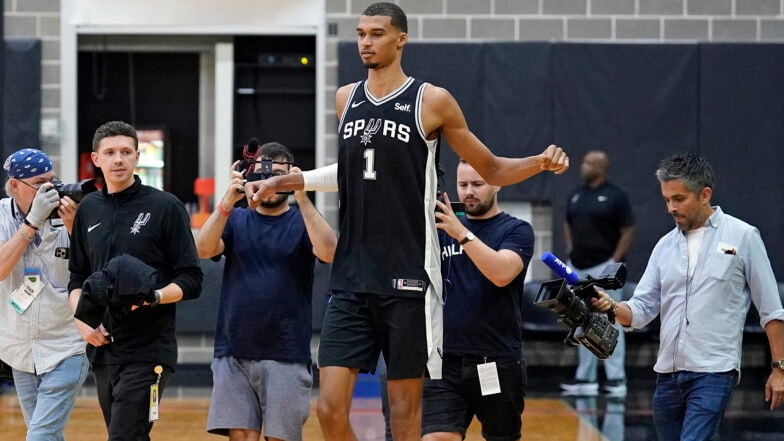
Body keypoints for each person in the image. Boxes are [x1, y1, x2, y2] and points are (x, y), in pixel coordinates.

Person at [246, 3, 569, 440]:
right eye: (360, 33)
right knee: (328, 409)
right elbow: (349, 171)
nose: (365, 42)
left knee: (403, 415)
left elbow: (491, 169)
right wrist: (287, 180)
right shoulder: (346, 99)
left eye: (376, 33)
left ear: (401, 39)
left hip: (409, 278)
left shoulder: (431, 101)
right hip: (351, 277)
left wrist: (539, 162)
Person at [592, 154, 784, 441]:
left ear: (705, 194)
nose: (671, 207)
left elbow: (771, 309)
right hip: (667, 376)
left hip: (714, 373)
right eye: (667, 199)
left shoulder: (744, 236)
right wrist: (612, 306)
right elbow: (642, 309)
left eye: (679, 199)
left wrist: (779, 369)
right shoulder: (664, 246)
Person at [68, 121, 204, 441]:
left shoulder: (165, 206)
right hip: (103, 351)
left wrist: (154, 297)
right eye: (111, 153)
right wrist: (82, 322)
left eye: (126, 152)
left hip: (149, 350)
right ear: (95, 159)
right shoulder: (88, 209)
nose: (119, 159)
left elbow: (192, 279)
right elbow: (77, 276)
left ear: (138, 157)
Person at [195, 142, 337, 441]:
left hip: (286, 352)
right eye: (261, 173)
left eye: (279, 175)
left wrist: (303, 194)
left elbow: (328, 252)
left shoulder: (301, 221)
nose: (269, 181)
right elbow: (204, 248)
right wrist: (227, 200)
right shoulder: (236, 219)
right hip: (234, 352)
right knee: (241, 436)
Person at [422, 159, 533, 441]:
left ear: (497, 183)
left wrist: (461, 234)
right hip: (446, 362)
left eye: (477, 184)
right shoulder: (442, 230)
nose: (468, 191)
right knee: (435, 438)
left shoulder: (516, 230)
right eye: (463, 185)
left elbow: (501, 273)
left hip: (496, 361)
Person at [0, 148, 89, 440]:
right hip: (20, 350)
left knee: (39, 436)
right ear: (15, 185)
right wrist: (31, 223)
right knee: (46, 434)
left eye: (52, 180)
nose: (49, 190)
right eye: (39, 184)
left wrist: (74, 227)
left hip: (67, 345)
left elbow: (93, 269)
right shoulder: (1, 215)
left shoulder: (71, 213)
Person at [560, 150, 634, 397]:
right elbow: (567, 224)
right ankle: (586, 378)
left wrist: (613, 260)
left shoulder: (616, 197)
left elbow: (628, 230)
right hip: (579, 269)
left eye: (589, 162)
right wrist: (571, 252)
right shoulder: (576, 195)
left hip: (604, 269)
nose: (583, 166)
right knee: (582, 319)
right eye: (584, 161)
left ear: (601, 167)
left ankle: (616, 380)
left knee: (611, 320)